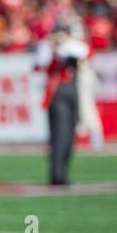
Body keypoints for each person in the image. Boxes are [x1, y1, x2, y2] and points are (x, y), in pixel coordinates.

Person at [37, 26, 89, 186]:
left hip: (72, 90)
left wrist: (64, 43)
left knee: (70, 134)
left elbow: (83, 52)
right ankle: (57, 174)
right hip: (57, 92)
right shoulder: (46, 46)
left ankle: (64, 171)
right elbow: (41, 62)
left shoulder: (71, 45)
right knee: (59, 134)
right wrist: (54, 45)